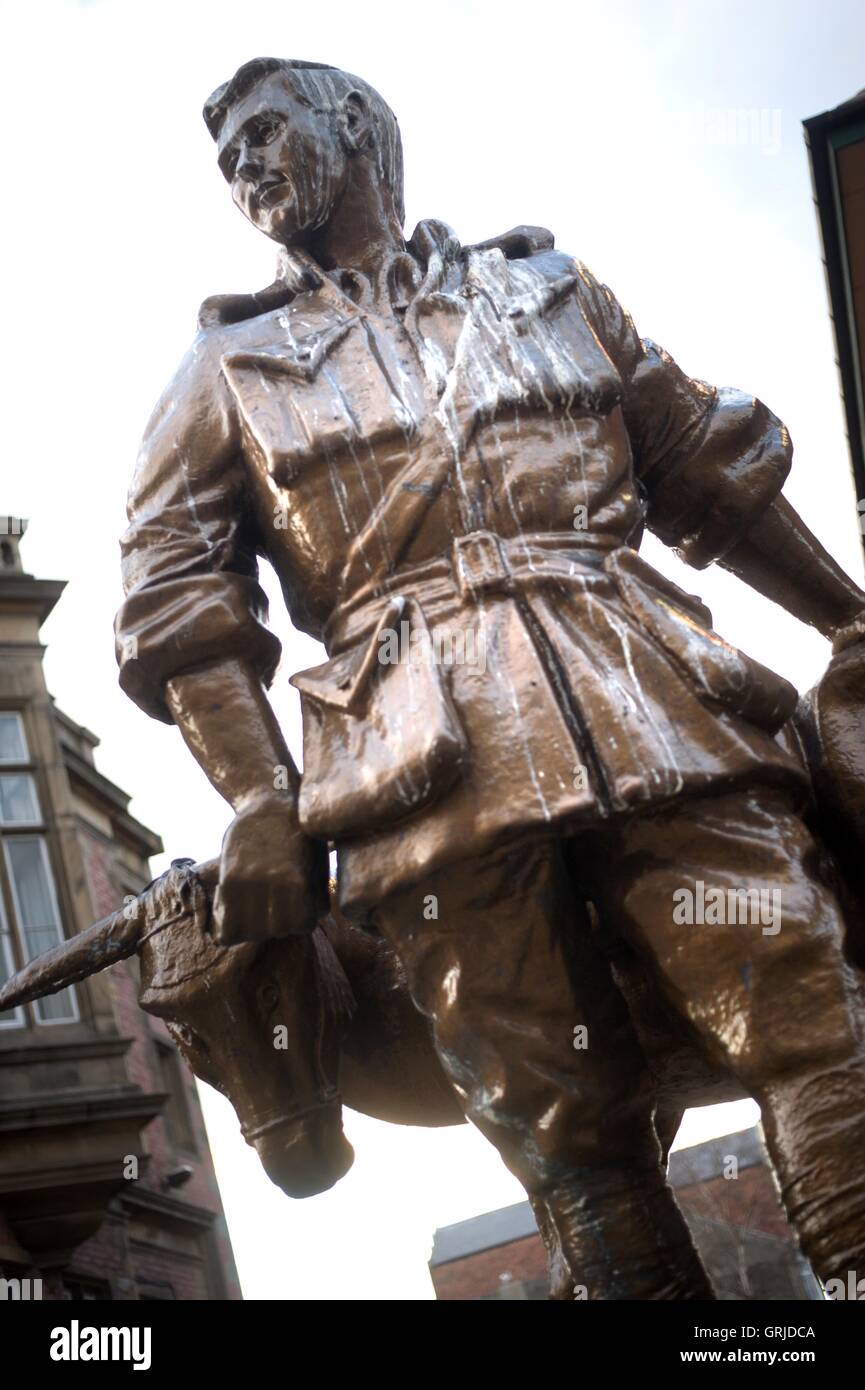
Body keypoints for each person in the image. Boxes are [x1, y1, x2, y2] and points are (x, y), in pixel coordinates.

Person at [116, 56, 865, 1299]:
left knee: (790, 980)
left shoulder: (547, 285)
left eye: (261, 135)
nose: (244, 170)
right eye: (225, 161)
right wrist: (258, 796)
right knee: (554, 1109)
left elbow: (702, 465)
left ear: (350, 122)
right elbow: (180, 606)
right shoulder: (221, 373)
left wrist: (849, 622)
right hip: (422, 782)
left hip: (651, 700)